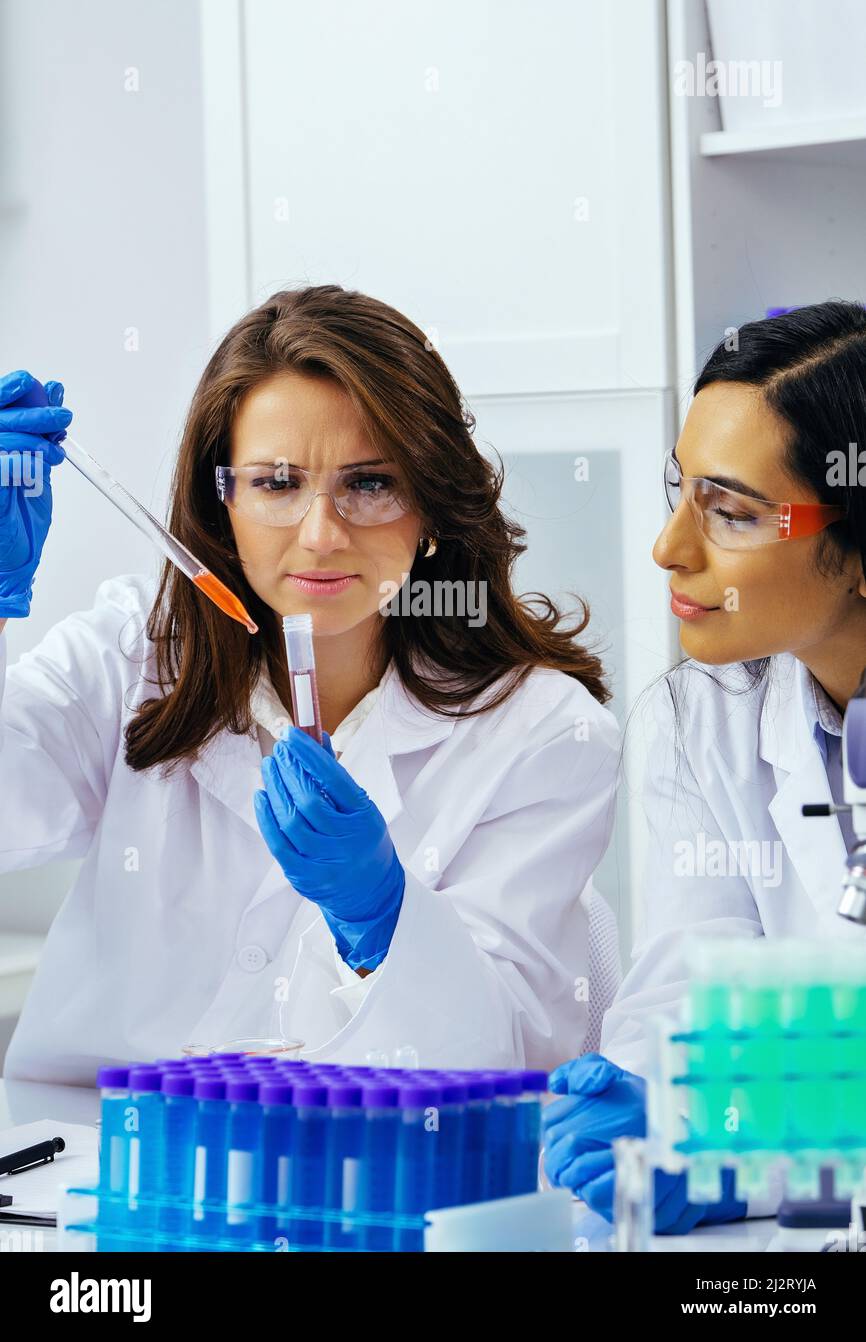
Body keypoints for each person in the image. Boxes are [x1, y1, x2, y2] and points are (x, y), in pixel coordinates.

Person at [0, 284, 619, 1085]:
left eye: (370, 483)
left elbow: (510, 1060)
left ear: (431, 503)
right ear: (219, 505)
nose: (322, 535)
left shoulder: (539, 731)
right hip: (89, 1164)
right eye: (276, 484)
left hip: (363, 1178)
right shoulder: (131, 658)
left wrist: (383, 919)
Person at [544, 300, 866, 1232]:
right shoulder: (709, 718)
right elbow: (694, 988)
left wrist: (741, 1144)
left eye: (727, 511)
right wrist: (662, 1118)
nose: (668, 549)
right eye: (680, 493)